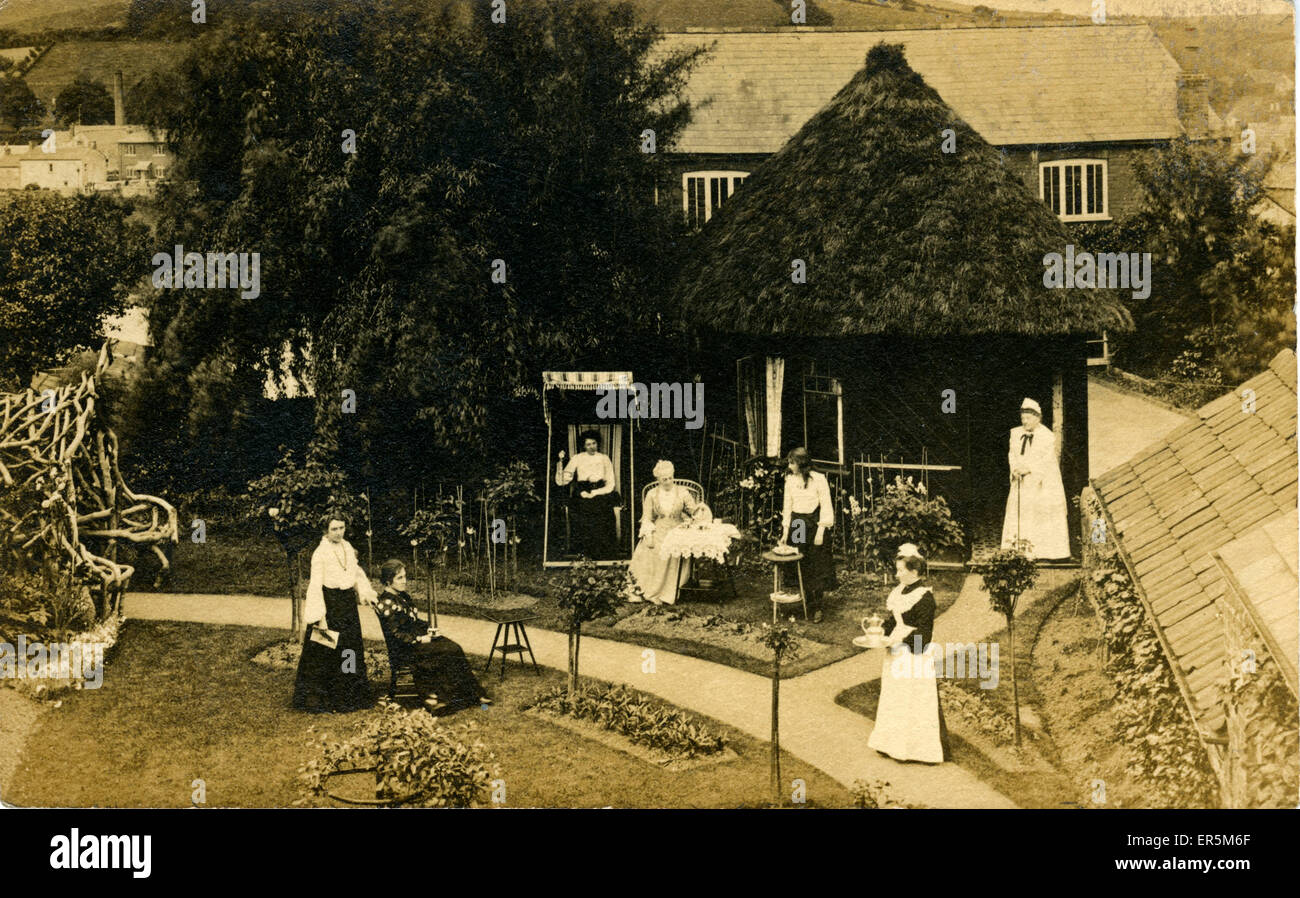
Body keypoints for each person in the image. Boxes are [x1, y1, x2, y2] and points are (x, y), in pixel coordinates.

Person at [867, 543, 951, 764]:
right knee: (894, 698)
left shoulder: (924, 598)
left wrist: (900, 642)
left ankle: (916, 750)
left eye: (901, 570)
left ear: (914, 571)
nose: (897, 574)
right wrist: (879, 633)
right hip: (895, 653)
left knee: (912, 700)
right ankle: (890, 744)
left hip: (913, 657)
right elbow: (894, 620)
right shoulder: (899, 592)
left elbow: (924, 636)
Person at [372, 560, 490, 715]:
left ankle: (472, 693)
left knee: (453, 647)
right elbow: (396, 635)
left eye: (405, 576)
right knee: (447, 651)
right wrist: (420, 639)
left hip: (418, 638)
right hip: (406, 648)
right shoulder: (386, 603)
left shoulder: (403, 596)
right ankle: (445, 699)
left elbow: (413, 621)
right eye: (400, 578)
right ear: (388, 580)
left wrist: (429, 629)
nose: (405, 581)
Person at [292, 514, 377, 713]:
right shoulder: (320, 553)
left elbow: (355, 573)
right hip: (329, 606)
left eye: (341, 528)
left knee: (349, 649)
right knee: (326, 651)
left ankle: (349, 693)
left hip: (347, 605)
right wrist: (320, 618)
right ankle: (323, 697)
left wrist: (365, 593)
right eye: (334, 529)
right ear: (325, 531)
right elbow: (315, 586)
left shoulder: (347, 547)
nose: (339, 533)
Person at [1000, 398, 1070, 560]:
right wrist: (1015, 469)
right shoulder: (1016, 433)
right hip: (1021, 481)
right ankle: (1018, 549)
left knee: (1040, 512)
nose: (1025, 422)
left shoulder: (1047, 436)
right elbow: (1012, 454)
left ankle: (1043, 552)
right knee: (1020, 511)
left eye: (1028, 418)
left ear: (1037, 418)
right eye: (1023, 418)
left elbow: (1046, 461)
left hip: (1041, 483)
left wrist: (1029, 469)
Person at [626, 460, 703, 605]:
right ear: (658, 479)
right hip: (659, 528)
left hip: (677, 529)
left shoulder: (682, 492)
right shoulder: (651, 494)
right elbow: (647, 518)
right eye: (664, 479)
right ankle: (647, 589)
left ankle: (670, 590)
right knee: (651, 549)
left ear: (673, 476)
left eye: (670, 478)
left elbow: (694, 511)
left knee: (674, 549)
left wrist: (699, 514)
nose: (667, 482)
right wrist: (648, 534)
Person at [778, 446, 835, 622]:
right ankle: (802, 604)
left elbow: (826, 505)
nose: (789, 465)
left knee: (816, 564)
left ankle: (817, 607)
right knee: (798, 562)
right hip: (798, 525)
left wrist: (821, 530)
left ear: (801, 463)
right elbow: (787, 506)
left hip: (815, 524)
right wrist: (786, 531)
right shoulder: (790, 480)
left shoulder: (818, 479)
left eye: (792, 462)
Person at [555, 430, 618, 558]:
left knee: (603, 511)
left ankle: (603, 552)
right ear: (583, 446)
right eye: (588, 444)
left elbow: (610, 483)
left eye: (594, 443)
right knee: (582, 511)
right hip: (581, 492)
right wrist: (560, 463)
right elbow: (563, 480)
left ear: (597, 443)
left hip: (601, 491)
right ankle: (584, 552)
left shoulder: (604, 458)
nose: (591, 446)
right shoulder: (577, 458)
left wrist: (595, 492)